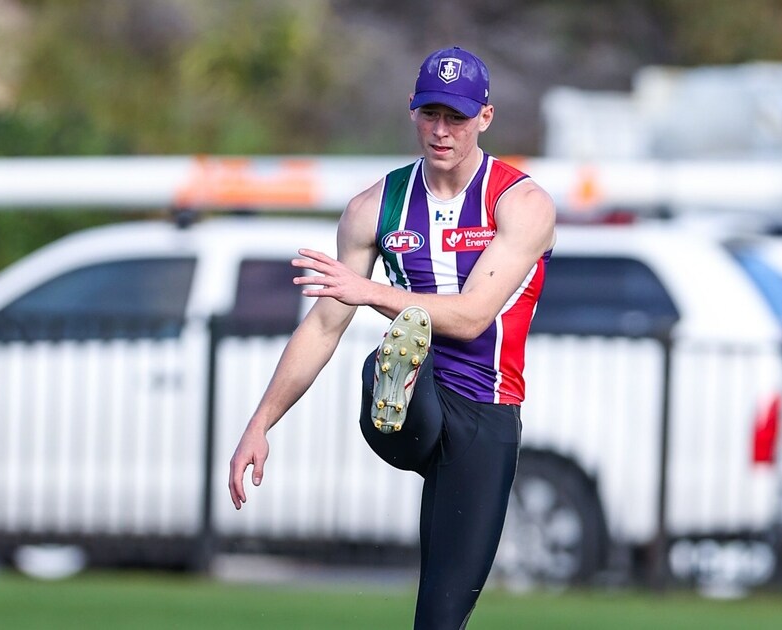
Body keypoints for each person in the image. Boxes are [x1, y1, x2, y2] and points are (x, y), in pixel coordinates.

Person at [228, 45, 556, 629]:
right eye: (430, 113)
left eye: (456, 117)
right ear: (412, 110)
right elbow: (324, 324)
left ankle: (396, 374)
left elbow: (474, 317)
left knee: (439, 618)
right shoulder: (372, 208)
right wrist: (260, 423)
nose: (441, 130)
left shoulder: (521, 204)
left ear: (485, 117)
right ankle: (392, 380)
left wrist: (367, 290)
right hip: (416, 400)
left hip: (486, 409)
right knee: (393, 370)